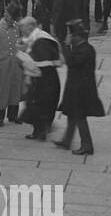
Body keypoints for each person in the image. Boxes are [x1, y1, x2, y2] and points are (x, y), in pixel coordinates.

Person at [54, 20, 102, 155]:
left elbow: (71, 62)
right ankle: (67, 141)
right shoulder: (80, 48)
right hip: (75, 88)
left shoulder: (86, 50)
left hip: (82, 90)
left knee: (80, 117)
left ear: (78, 36)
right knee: (72, 115)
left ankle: (87, 145)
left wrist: (65, 46)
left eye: (71, 35)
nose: (70, 37)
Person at [18, 16, 60, 141]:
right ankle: (39, 131)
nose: (22, 31)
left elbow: (43, 63)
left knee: (39, 105)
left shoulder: (41, 40)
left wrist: (25, 61)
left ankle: (40, 132)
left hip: (44, 80)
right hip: (43, 78)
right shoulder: (37, 37)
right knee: (38, 106)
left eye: (23, 28)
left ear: (30, 27)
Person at [0, 4, 24, 126]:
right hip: (3, 64)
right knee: (2, 90)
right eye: (12, 18)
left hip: (16, 63)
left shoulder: (17, 28)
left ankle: (13, 115)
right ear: (6, 15)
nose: (13, 21)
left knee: (15, 89)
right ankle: (0, 117)